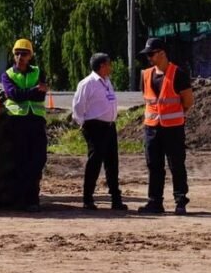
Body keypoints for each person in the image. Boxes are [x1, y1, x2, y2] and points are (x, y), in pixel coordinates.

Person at [139, 37, 194, 215]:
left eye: (151, 54)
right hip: (152, 128)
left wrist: (176, 114)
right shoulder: (146, 75)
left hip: (173, 128)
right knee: (154, 165)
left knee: (176, 164)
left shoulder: (178, 74)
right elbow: (147, 99)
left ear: (162, 53)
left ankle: (180, 201)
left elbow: (188, 101)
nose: (149, 58)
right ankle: (155, 202)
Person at [72, 52, 128, 211]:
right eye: (109, 64)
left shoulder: (107, 81)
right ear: (102, 66)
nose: (111, 67)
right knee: (95, 162)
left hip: (109, 126)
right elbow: (77, 106)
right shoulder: (87, 83)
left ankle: (116, 199)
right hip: (94, 126)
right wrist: (83, 124)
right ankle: (87, 199)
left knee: (112, 163)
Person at [1, 38, 48, 212]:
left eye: (24, 53)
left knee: (37, 160)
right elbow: (14, 95)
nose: (20, 57)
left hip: (35, 121)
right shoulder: (7, 75)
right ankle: (20, 200)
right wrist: (33, 91)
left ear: (30, 56)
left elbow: (40, 96)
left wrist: (27, 93)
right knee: (19, 161)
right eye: (17, 53)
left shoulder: (38, 72)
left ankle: (32, 199)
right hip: (16, 122)